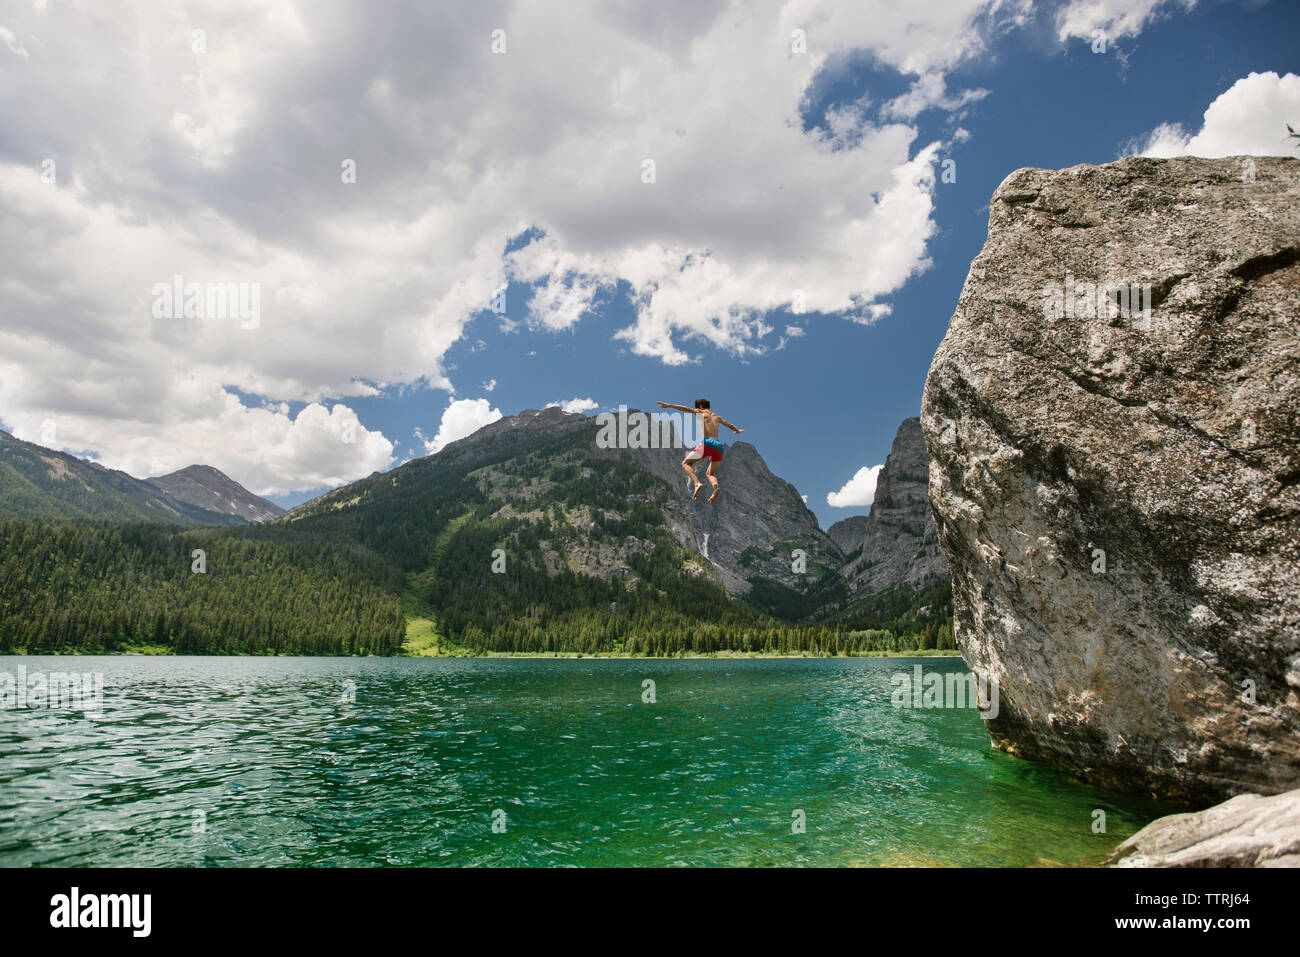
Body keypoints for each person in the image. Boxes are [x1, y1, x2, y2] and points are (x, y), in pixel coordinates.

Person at [655, 398, 743, 503]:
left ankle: (697, 483)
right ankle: (715, 488)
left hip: (709, 443)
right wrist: (736, 430)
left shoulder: (700, 412)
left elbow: (686, 409)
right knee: (710, 473)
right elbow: (728, 424)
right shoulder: (716, 417)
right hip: (719, 446)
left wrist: (669, 405)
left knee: (685, 463)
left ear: (700, 406)